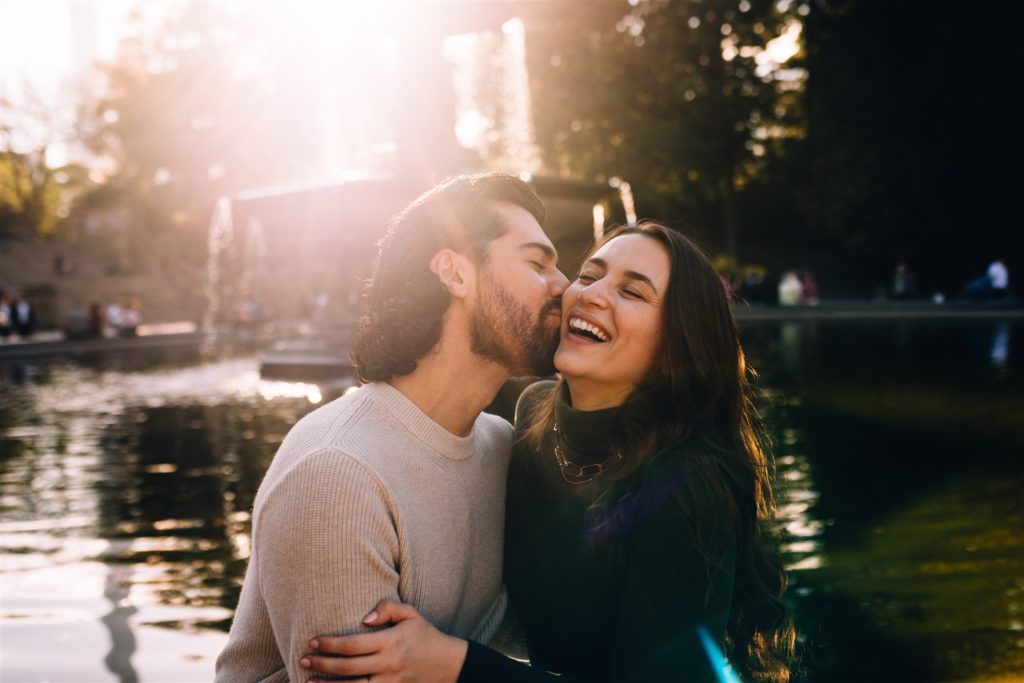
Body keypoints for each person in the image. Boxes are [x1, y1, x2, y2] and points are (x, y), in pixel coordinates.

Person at [302, 223, 796, 682]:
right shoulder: (534, 414)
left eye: (631, 291)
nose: (591, 294)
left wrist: (455, 665)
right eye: (589, 275)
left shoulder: (685, 483)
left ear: (673, 351)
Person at [214, 172, 569, 682]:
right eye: (538, 263)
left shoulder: (499, 447)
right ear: (455, 273)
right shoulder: (338, 477)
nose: (564, 285)